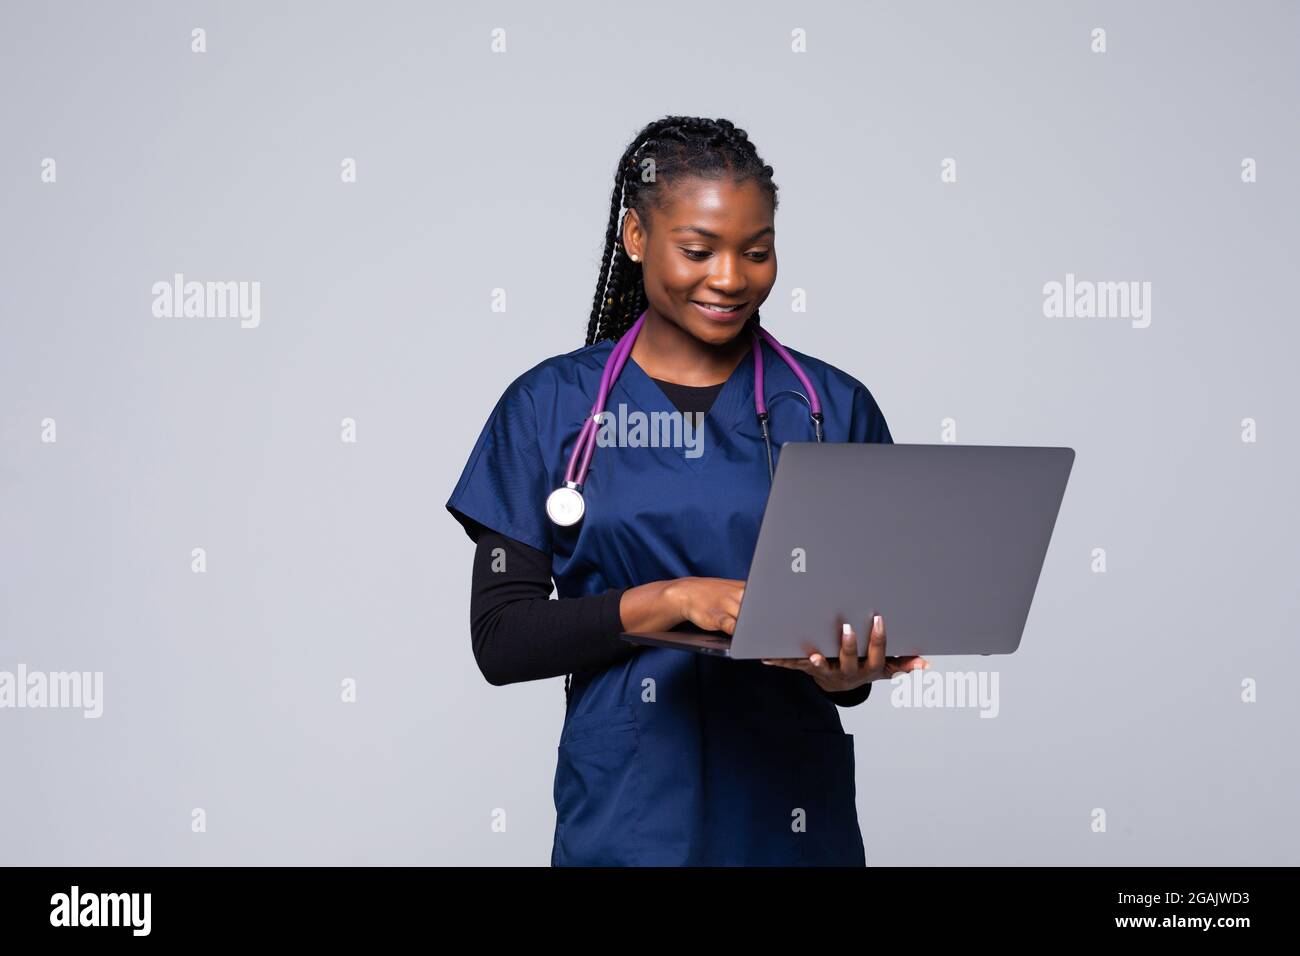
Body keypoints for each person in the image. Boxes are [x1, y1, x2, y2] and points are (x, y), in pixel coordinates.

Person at [446, 115, 927, 866]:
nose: (731, 278)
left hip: (794, 814)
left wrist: (851, 674)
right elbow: (502, 640)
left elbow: (856, 646)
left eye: (756, 251)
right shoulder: (549, 408)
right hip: (632, 813)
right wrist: (672, 601)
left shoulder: (832, 406)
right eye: (698, 250)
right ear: (636, 237)